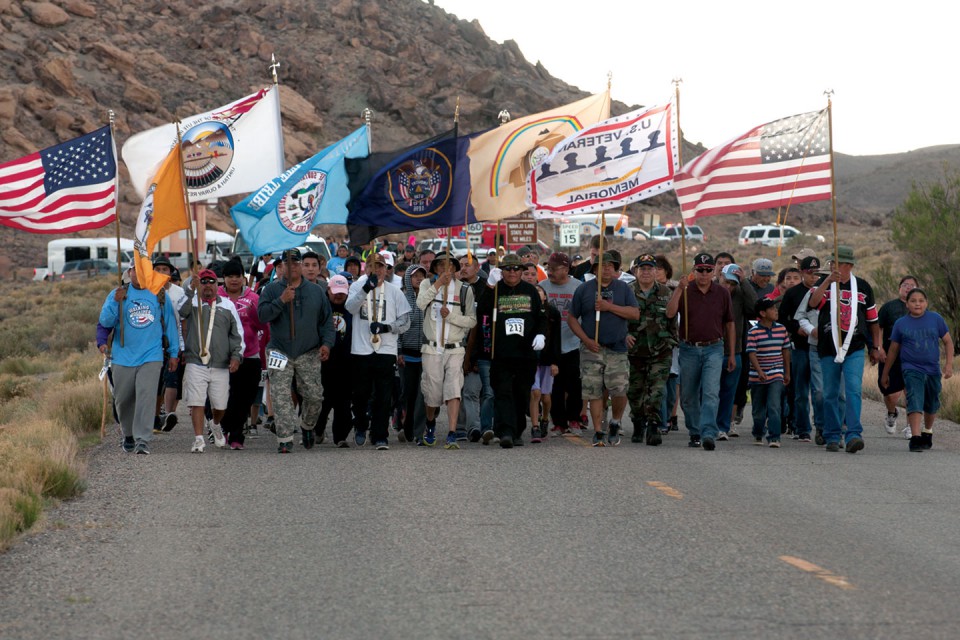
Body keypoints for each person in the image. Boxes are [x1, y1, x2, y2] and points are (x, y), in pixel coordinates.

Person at [257, 249, 335, 453]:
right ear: (281, 267)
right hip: (279, 350)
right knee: (280, 394)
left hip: (308, 350)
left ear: (300, 265)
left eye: (296, 263)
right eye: (287, 264)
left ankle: (308, 425)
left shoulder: (316, 291)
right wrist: (281, 300)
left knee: (315, 396)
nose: (292, 267)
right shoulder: (271, 290)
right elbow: (262, 316)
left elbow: (326, 322)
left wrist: (327, 344)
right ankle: (284, 439)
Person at [808, 245, 883, 454]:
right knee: (830, 393)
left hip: (855, 346)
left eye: (837, 263)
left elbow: (873, 321)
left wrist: (875, 346)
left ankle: (853, 434)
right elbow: (813, 303)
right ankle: (832, 435)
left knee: (852, 390)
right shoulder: (824, 285)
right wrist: (827, 282)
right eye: (832, 262)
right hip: (828, 347)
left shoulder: (863, 287)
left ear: (848, 265)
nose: (833, 266)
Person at [98, 266, 180, 454]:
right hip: (123, 356)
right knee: (123, 399)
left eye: (143, 269)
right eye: (135, 270)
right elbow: (105, 321)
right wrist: (115, 303)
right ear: (129, 272)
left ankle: (143, 438)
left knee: (146, 395)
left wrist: (174, 353)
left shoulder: (158, 294)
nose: (139, 273)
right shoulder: (118, 293)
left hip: (151, 355)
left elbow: (170, 324)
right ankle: (127, 434)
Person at [567, 251, 639, 446]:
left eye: (610, 265)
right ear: (595, 269)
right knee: (594, 392)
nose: (606, 268)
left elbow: (634, 313)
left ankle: (615, 421)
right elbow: (572, 317)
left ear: (615, 269)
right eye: (602, 265)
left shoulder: (624, 289)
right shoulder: (584, 289)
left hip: (617, 349)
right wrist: (586, 340)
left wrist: (609, 307)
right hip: (592, 349)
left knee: (619, 390)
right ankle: (598, 430)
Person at [667, 253, 736, 451]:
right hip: (689, 348)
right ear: (694, 271)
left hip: (714, 348)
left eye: (708, 270)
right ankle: (694, 430)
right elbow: (670, 313)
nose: (704, 274)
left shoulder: (722, 293)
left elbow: (730, 323)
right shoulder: (685, 290)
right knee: (688, 395)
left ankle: (707, 432)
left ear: (714, 271)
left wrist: (731, 354)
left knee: (711, 392)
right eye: (700, 270)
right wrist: (679, 290)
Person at [476, 253, 547, 448]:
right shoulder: (495, 290)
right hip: (502, 352)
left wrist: (541, 335)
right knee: (503, 391)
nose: (512, 272)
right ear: (502, 271)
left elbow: (541, 317)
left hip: (525, 353)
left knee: (521, 393)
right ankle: (505, 431)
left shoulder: (530, 291)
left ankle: (517, 431)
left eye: (516, 269)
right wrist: (489, 285)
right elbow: (482, 310)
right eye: (508, 269)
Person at [346, 252, 412, 450]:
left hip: (386, 348)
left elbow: (405, 321)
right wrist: (367, 288)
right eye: (372, 267)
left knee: (384, 394)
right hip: (361, 348)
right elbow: (350, 308)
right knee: (361, 394)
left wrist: (387, 328)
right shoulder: (358, 286)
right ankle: (360, 425)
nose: (377, 271)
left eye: (381, 267)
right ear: (366, 269)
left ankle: (380, 434)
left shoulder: (394, 291)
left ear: (386, 269)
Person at [179, 269, 244, 453]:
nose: (207, 285)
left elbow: (237, 334)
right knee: (197, 401)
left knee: (220, 405)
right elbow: (180, 311)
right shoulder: (191, 302)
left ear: (217, 285)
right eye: (203, 281)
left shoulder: (228, 306)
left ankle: (215, 423)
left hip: (220, 363)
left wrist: (236, 356)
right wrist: (191, 290)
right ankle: (199, 439)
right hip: (196, 361)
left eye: (211, 281)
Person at [881, 288, 954, 452]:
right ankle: (915, 438)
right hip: (911, 368)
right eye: (913, 301)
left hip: (933, 369)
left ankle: (927, 431)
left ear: (926, 303)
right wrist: (885, 373)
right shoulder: (901, 323)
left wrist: (948, 365)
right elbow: (893, 350)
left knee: (932, 402)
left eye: (921, 300)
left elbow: (948, 342)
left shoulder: (936, 319)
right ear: (907, 304)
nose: (917, 304)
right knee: (914, 399)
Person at [417, 252, 476, 448]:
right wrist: (437, 285)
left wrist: (451, 317)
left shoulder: (465, 289)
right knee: (432, 394)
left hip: (455, 348)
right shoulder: (427, 285)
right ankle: (431, 422)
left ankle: (451, 432)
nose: (445, 269)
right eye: (440, 265)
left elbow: (471, 320)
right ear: (434, 269)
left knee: (453, 389)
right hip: (432, 348)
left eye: (449, 265)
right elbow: (420, 304)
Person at [625, 254, 677, 446]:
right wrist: (623, 335)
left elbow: (672, 319)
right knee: (635, 392)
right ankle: (638, 422)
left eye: (650, 269)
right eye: (642, 268)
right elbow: (618, 318)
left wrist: (672, 341)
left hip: (660, 351)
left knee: (656, 391)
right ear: (635, 271)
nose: (646, 272)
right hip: (634, 351)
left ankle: (654, 426)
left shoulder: (666, 292)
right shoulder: (627, 292)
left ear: (656, 272)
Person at [218, 259, 267, 449]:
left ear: (243, 278)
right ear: (224, 279)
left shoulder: (253, 298)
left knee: (246, 396)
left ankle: (233, 430)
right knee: (227, 396)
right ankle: (232, 433)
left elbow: (263, 325)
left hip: (250, 354)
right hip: (223, 356)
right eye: (229, 276)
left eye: (237, 276)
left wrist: (255, 314)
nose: (234, 280)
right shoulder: (217, 297)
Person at [539, 252, 584, 436]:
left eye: (554, 268)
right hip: (551, 346)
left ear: (565, 269)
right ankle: (558, 423)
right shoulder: (542, 287)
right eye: (548, 268)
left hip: (573, 343)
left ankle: (574, 420)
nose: (549, 272)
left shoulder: (578, 287)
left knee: (574, 384)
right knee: (554, 386)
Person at [778, 255, 821, 443]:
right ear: (802, 273)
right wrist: (797, 329)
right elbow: (782, 318)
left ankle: (821, 427)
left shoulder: (825, 291)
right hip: (800, 347)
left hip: (821, 349)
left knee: (820, 391)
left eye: (817, 273)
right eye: (810, 273)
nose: (814, 277)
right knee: (801, 391)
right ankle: (801, 428)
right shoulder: (793, 293)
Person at [716, 263, 756, 440]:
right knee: (710, 391)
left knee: (729, 392)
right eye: (726, 282)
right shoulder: (712, 292)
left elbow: (755, 309)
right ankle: (708, 424)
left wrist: (744, 283)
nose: (729, 287)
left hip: (735, 351)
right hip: (713, 349)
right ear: (720, 278)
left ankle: (723, 427)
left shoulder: (740, 293)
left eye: (733, 284)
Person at [746, 298, 791, 447]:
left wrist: (786, 372)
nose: (776, 311)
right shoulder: (753, 332)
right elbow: (752, 353)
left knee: (774, 405)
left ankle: (774, 437)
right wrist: (759, 371)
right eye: (772, 309)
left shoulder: (781, 329)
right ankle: (758, 433)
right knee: (758, 410)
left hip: (776, 373)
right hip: (757, 376)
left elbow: (785, 350)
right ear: (762, 313)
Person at [877, 275, 920, 435]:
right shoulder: (888, 307)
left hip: (912, 358)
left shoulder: (919, 308)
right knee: (888, 391)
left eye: (912, 285)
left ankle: (911, 426)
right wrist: (879, 348)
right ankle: (891, 413)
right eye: (905, 285)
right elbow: (878, 327)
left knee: (911, 391)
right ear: (899, 288)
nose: (908, 287)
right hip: (889, 356)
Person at [318, 275, 355, 447]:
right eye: (335, 292)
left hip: (347, 362)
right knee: (322, 401)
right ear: (328, 291)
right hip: (324, 361)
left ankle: (340, 436)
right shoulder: (321, 307)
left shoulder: (352, 308)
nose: (339, 296)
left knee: (344, 403)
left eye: (342, 293)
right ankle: (318, 429)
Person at [151, 256, 186, 433]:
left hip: (175, 343)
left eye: (165, 269)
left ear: (171, 272)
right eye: (158, 269)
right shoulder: (148, 291)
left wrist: (184, 345)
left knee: (173, 380)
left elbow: (185, 320)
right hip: (153, 344)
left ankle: (170, 414)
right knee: (157, 383)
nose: (162, 272)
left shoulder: (179, 293)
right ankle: (157, 416)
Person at [399, 264, 428, 444]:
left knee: (422, 394)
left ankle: (419, 432)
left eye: (421, 276)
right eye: (414, 276)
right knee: (407, 393)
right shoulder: (402, 298)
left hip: (425, 353)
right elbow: (397, 327)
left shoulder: (429, 298)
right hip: (406, 354)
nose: (418, 279)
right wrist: (398, 351)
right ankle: (404, 426)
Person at [530, 284, 561, 442]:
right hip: (531, 359)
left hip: (547, 358)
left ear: (545, 295)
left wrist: (555, 362)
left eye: (539, 291)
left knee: (545, 396)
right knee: (534, 392)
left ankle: (545, 418)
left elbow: (556, 339)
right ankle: (535, 426)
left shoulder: (553, 313)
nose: (537, 294)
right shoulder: (527, 312)